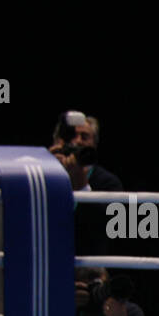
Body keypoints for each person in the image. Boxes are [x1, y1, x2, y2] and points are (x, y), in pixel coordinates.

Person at [48, 110, 123, 256]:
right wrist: (44, 164)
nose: (77, 141)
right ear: (57, 140)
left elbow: (106, 228)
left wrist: (82, 187)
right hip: (45, 256)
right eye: (71, 136)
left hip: (86, 264)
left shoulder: (108, 182)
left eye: (84, 136)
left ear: (93, 144)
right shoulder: (39, 175)